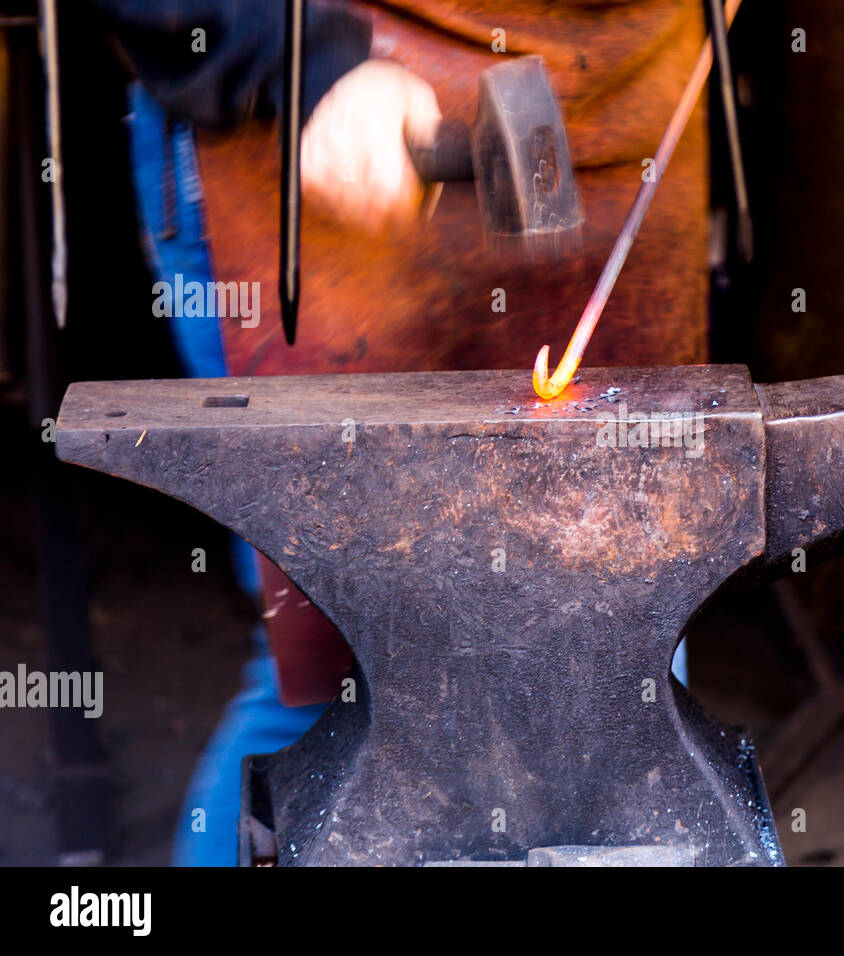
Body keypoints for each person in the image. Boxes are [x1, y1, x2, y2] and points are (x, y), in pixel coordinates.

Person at [91, 0, 706, 865]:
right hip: (317, 133)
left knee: (623, 659)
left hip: (620, 108)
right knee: (348, 681)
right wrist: (294, 62)